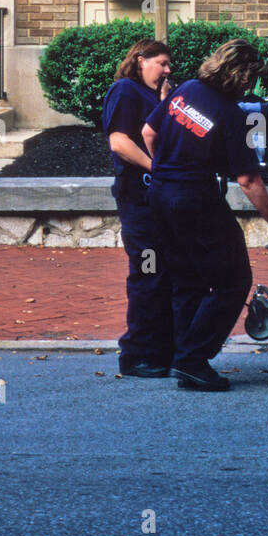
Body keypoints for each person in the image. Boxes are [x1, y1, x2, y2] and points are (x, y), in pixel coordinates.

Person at [142, 39, 268, 392]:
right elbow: (248, 179)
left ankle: (182, 356)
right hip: (194, 201)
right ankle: (193, 361)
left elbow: (148, 132)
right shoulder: (232, 115)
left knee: (188, 281)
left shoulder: (186, 90)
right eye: (248, 79)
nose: (249, 85)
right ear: (238, 75)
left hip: (161, 195)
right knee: (232, 281)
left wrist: (170, 166)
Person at [101, 39, 175, 378]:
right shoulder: (125, 90)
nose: (167, 70)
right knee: (147, 274)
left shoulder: (152, 95)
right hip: (138, 203)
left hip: (159, 204)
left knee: (164, 275)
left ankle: (161, 350)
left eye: (168, 64)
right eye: (160, 62)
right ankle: (136, 355)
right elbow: (119, 141)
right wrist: (154, 168)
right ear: (140, 59)